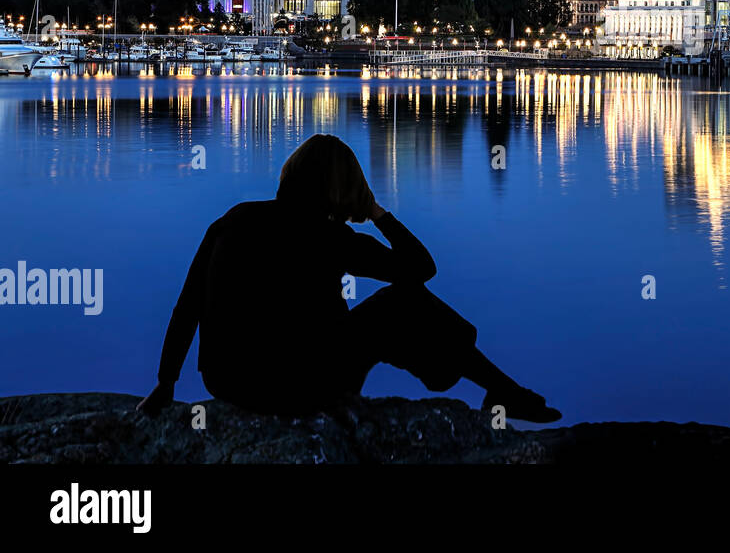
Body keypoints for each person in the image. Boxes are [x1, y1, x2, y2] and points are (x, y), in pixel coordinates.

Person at [137, 133, 561, 423]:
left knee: (376, 312)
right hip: (298, 386)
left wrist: (165, 382)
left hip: (228, 380)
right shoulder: (331, 237)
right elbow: (421, 269)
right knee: (402, 304)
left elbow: (188, 303)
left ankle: (502, 389)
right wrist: (377, 212)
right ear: (344, 188)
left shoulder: (234, 219)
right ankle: (504, 390)